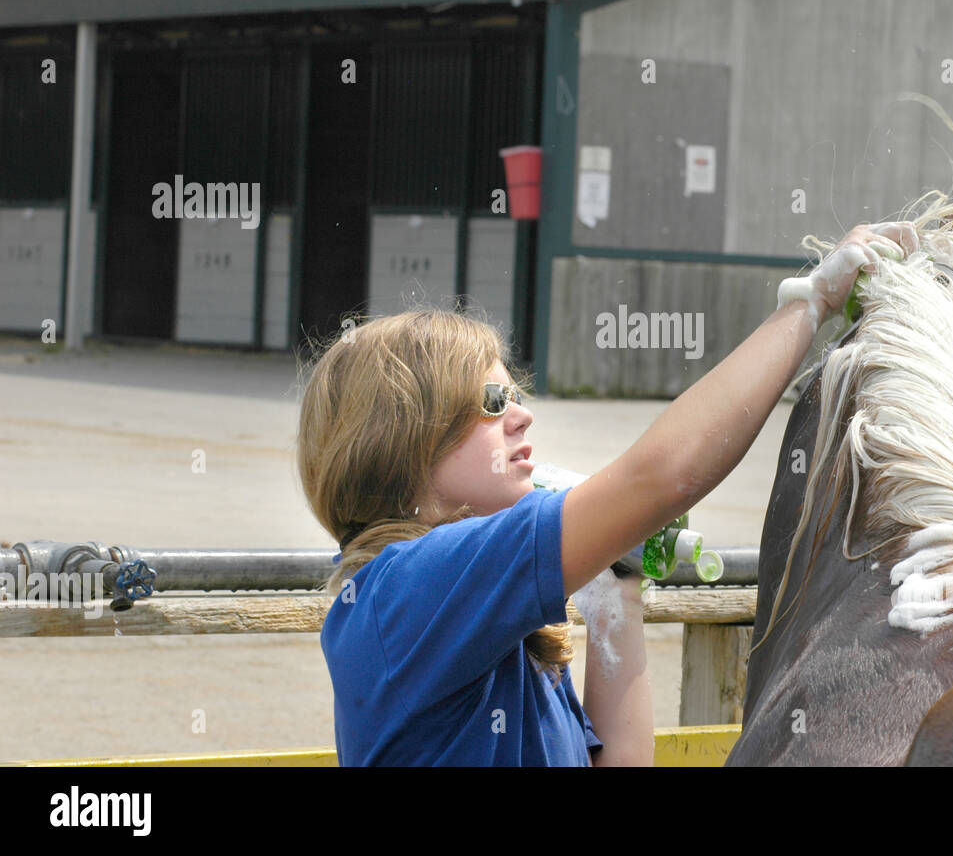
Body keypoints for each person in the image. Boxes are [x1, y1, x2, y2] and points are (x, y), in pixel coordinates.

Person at [296, 220, 918, 766]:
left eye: (516, 396)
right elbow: (661, 476)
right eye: (491, 403)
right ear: (399, 442)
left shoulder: (490, 610)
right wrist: (810, 304)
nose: (521, 417)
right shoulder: (409, 585)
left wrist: (616, 586)